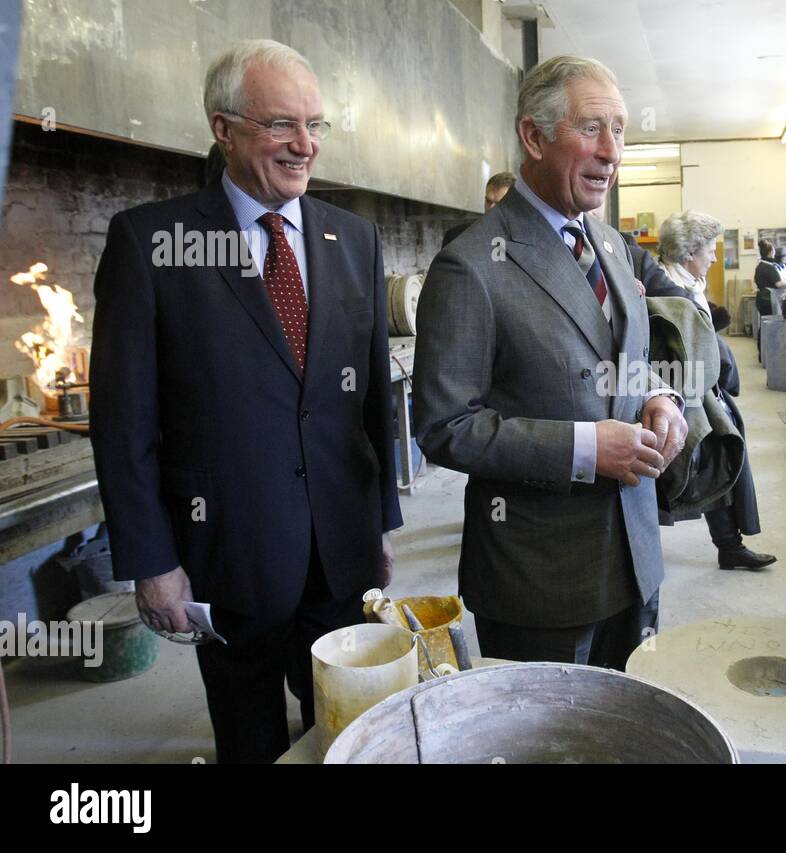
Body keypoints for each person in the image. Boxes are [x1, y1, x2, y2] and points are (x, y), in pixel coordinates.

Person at [90, 39, 402, 763]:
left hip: (342, 551)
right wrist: (152, 562)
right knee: (249, 740)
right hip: (228, 553)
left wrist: (381, 519)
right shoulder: (151, 242)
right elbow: (122, 423)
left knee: (351, 729)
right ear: (222, 128)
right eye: (281, 125)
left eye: (317, 125)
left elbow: (374, 403)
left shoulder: (354, 239)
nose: (305, 146)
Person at [414, 56, 688, 670]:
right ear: (532, 137)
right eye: (591, 128)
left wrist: (656, 398)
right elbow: (443, 426)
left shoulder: (611, 245)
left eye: (619, 130)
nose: (612, 151)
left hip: (634, 553)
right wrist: (588, 448)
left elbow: (623, 359)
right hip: (540, 581)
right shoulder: (473, 265)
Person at [658, 211, 775, 571]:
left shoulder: (686, 284)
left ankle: (730, 545)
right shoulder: (670, 287)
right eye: (709, 250)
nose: (713, 257)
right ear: (690, 251)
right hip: (679, 394)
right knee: (715, 456)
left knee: (722, 458)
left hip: (700, 389)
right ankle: (729, 545)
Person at [442, 171, 516, 246]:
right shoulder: (455, 236)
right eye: (488, 201)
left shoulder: (523, 241)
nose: (491, 208)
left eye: (498, 204)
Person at [753, 238, 786, 315]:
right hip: (769, 299)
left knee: (766, 323)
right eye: (774, 250)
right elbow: (779, 284)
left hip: (761, 298)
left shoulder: (760, 265)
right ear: (771, 252)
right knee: (772, 323)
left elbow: (755, 280)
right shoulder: (769, 267)